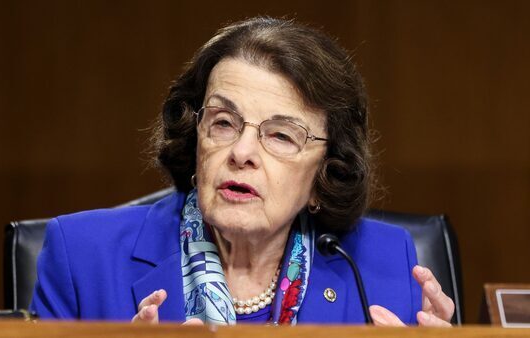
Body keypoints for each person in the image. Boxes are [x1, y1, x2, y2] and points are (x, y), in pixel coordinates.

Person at [30, 17, 454, 326]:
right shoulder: (83, 257)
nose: (242, 152)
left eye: (281, 136)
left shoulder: (383, 264)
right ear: (194, 136)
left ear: (326, 174)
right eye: (224, 123)